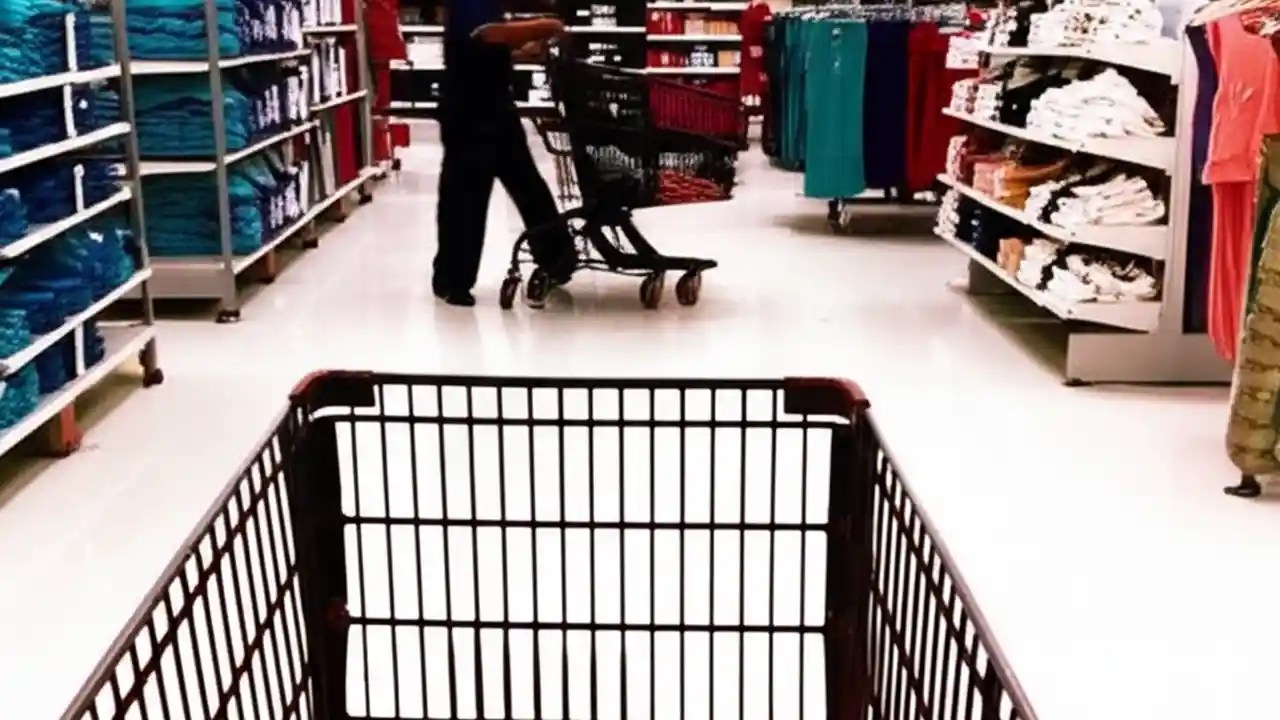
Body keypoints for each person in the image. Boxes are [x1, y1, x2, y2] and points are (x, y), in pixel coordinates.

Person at [434, 0, 576, 307]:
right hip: (475, 111)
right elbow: (487, 34)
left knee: (483, 192)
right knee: (471, 195)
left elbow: (480, 48)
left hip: (484, 106)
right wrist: (546, 26)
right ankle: (455, 280)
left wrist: (520, 52)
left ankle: (451, 277)